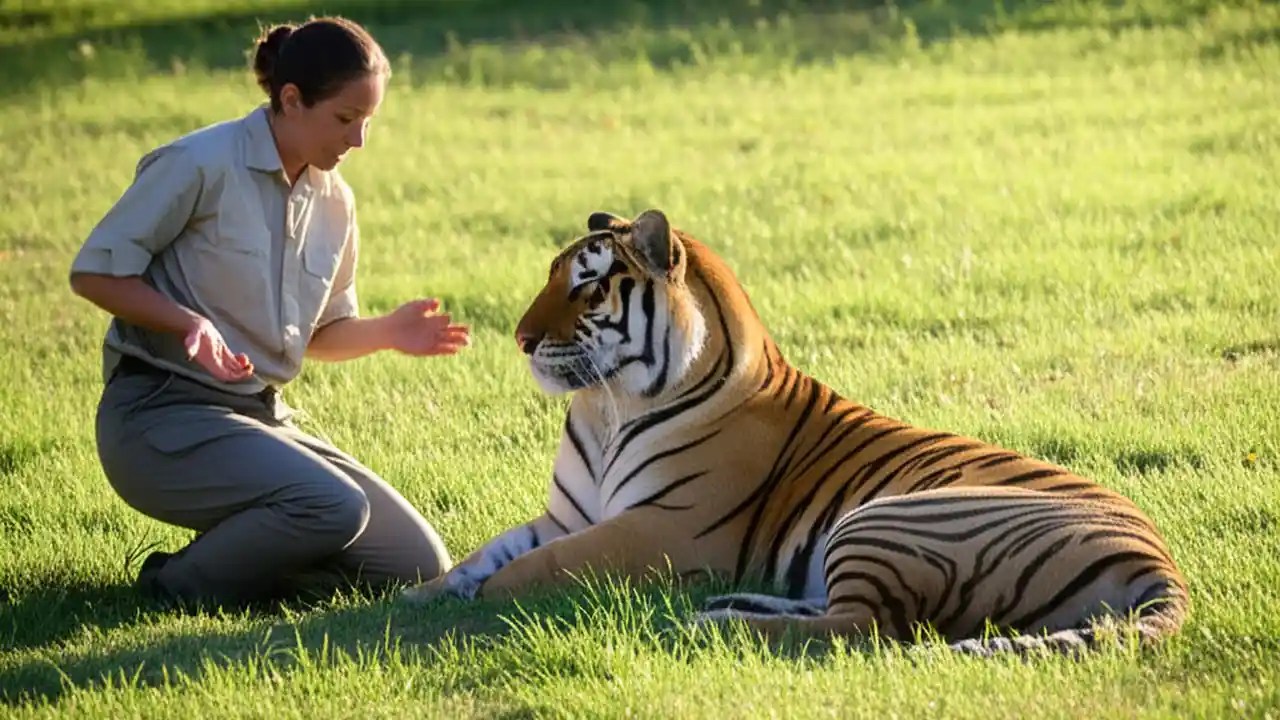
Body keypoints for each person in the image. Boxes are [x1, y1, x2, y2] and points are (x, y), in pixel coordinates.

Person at [68, 16, 468, 609]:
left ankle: (243, 566)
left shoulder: (335, 201)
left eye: (368, 122)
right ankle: (172, 586)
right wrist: (188, 324)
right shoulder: (199, 163)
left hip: (258, 416)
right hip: (159, 413)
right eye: (345, 119)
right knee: (335, 506)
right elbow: (94, 272)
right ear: (291, 100)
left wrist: (387, 332)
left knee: (414, 561)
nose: (358, 141)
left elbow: (319, 336)